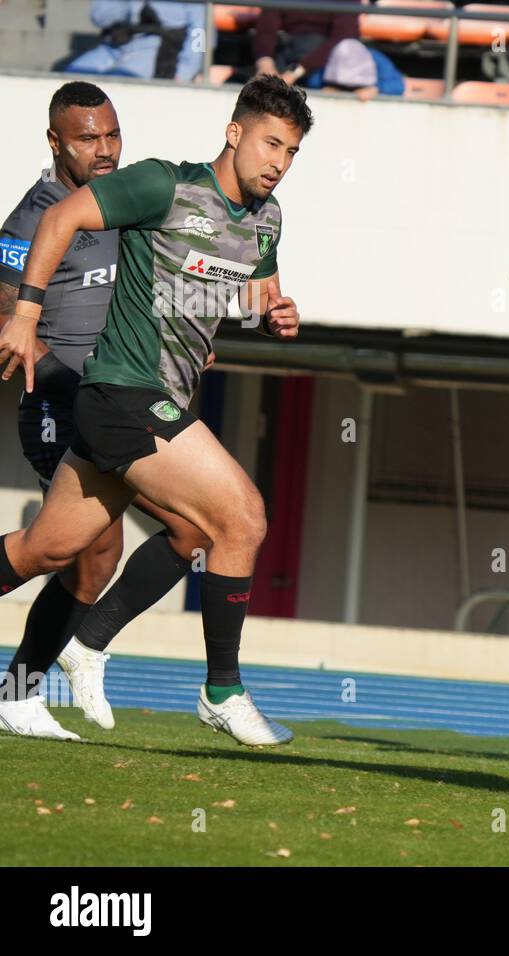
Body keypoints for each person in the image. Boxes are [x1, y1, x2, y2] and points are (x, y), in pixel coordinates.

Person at [0, 76, 311, 747]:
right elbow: (60, 218)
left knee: (43, 549)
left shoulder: (266, 221)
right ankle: (221, 690)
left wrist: (274, 319)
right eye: (270, 143)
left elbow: (254, 301)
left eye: (290, 151)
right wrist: (24, 316)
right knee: (244, 517)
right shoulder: (163, 186)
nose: (278, 162)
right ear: (235, 134)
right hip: (122, 396)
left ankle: (68, 657)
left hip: (146, 400)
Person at [0, 81, 212, 741]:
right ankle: (30, 685)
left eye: (112, 135)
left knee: (127, 547)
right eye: (88, 138)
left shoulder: (124, 207)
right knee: (81, 547)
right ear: (55, 141)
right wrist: (28, 334)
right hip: (59, 406)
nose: (105, 150)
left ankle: (35, 680)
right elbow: (7, 317)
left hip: (121, 405)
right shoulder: (32, 219)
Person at [63, 0, 205, 83]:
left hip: (157, 49)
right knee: (70, 77)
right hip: (115, 45)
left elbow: (201, 29)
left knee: (117, 80)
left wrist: (186, 70)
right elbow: (99, 18)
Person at [253, 0, 359, 89]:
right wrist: (265, 62)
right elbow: (266, 27)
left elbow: (340, 38)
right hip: (286, 52)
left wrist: (295, 72)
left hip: (320, 63)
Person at [304, 38, 406, 101]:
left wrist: (377, 89)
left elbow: (398, 85)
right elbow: (314, 81)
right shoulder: (331, 57)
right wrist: (326, 89)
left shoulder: (377, 60)